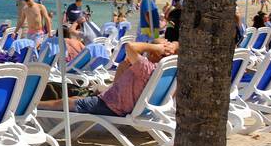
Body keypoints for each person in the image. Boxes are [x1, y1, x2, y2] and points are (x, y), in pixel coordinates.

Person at [38, 40, 178, 119]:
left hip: (112, 106)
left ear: (154, 53)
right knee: (75, 98)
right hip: (122, 103)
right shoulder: (164, 71)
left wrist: (156, 46)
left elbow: (129, 46)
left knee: (68, 102)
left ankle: (36, 107)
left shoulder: (146, 67)